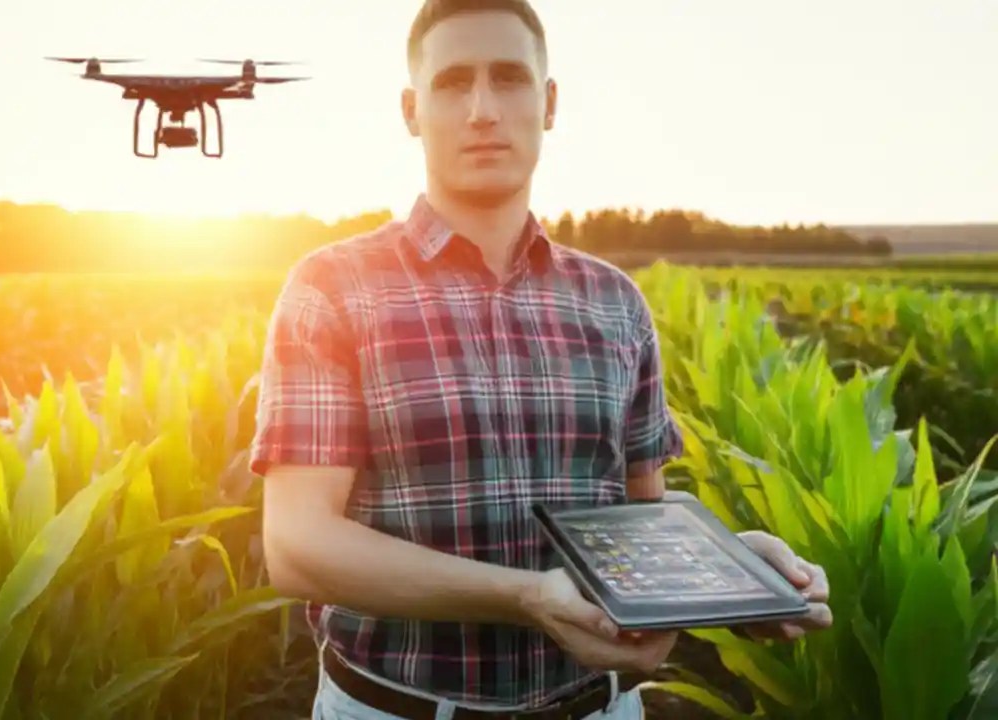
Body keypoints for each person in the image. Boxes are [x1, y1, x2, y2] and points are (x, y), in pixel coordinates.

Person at [248, 1, 833, 717]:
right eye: (454, 82)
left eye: (510, 79)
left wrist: (738, 570)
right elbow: (299, 545)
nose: (484, 109)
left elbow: (642, 518)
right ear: (411, 109)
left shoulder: (615, 302)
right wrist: (526, 597)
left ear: (549, 102)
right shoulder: (333, 290)